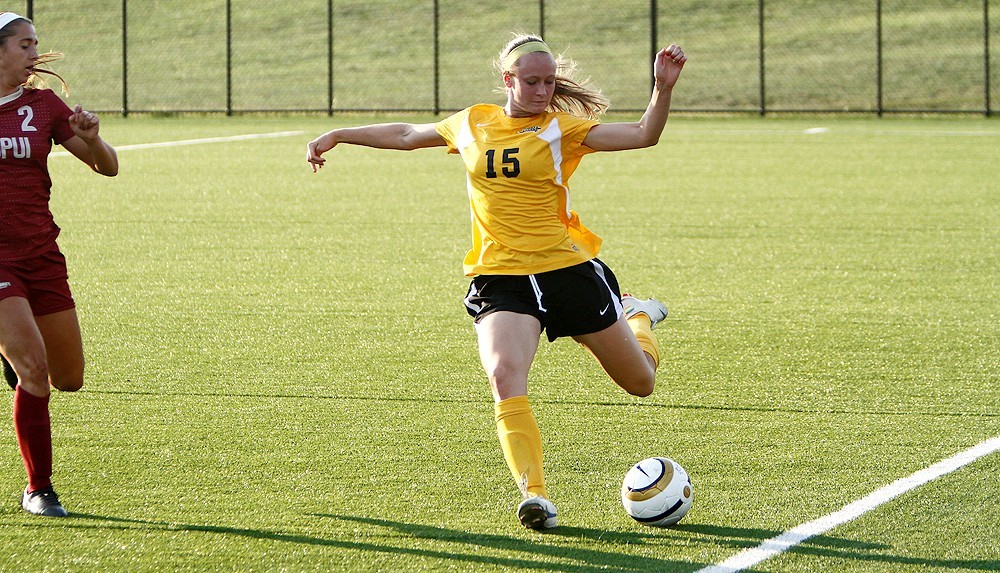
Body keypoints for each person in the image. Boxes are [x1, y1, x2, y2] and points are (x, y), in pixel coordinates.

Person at [306, 33, 685, 530]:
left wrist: (662, 89)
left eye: (549, 81)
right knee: (505, 375)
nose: (542, 90)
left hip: (566, 271)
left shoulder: (562, 129)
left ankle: (635, 316)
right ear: (508, 80)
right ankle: (535, 495)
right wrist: (339, 134)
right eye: (531, 81)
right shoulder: (472, 122)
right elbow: (406, 135)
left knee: (641, 384)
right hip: (499, 275)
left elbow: (642, 135)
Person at [0, 12, 118, 517]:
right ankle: (39, 489)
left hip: (41, 253)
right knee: (34, 368)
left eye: (35, 44)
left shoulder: (43, 104)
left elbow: (108, 167)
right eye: (25, 45)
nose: (35, 54)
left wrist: (90, 138)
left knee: (68, 378)